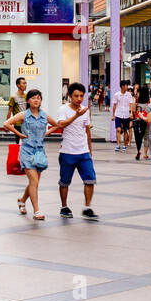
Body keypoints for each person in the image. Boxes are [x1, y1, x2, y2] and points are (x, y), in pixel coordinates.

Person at [3, 88, 60, 220]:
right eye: (33, 98)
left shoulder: (44, 115)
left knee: (34, 182)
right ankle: (37, 211)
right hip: (26, 150)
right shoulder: (24, 115)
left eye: (38, 98)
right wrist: (20, 134)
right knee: (34, 180)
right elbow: (6, 123)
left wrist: (46, 133)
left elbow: (57, 125)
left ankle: (22, 200)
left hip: (39, 151)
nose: (36, 100)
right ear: (28, 100)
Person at [56, 82, 97, 220]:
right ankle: (64, 206)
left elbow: (87, 130)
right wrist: (76, 116)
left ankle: (87, 207)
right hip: (67, 151)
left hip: (83, 151)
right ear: (70, 96)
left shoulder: (85, 110)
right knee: (65, 181)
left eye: (81, 96)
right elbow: (61, 124)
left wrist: (90, 150)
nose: (79, 99)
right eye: (76, 96)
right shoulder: (63, 109)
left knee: (90, 179)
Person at [111, 80, 134, 152]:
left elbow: (131, 104)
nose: (127, 87)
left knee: (125, 130)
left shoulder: (129, 95)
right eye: (126, 85)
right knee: (118, 129)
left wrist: (131, 113)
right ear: (122, 86)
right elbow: (114, 105)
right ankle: (118, 144)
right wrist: (113, 115)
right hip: (118, 114)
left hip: (126, 114)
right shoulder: (117, 95)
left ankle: (124, 145)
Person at [132, 91, 150, 161]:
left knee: (138, 137)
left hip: (138, 121)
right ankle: (145, 154)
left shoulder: (137, 102)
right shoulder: (149, 103)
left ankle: (138, 151)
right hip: (146, 121)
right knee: (146, 137)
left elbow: (133, 111)